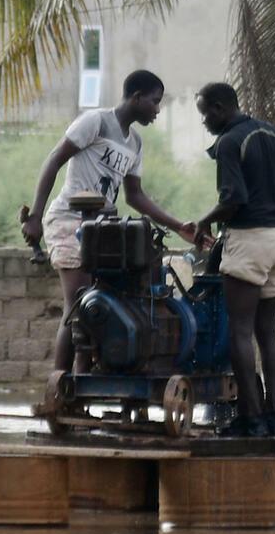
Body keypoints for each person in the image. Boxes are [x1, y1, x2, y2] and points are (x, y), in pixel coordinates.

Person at [19, 70, 197, 371]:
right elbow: (54, 160)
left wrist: (179, 226)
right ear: (136, 97)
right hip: (69, 220)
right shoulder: (96, 122)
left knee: (99, 308)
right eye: (154, 102)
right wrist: (35, 216)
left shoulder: (135, 144)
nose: (157, 110)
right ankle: (62, 389)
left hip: (103, 234)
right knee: (77, 306)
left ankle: (82, 383)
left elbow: (135, 196)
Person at [188, 82, 275, 438]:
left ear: (222, 108)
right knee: (266, 332)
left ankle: (250, 418)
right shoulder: (271, 134)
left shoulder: (228, 142)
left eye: (206, 113)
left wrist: (205, 219)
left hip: (250, 238)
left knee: (239, 331)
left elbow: (234, 199)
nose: (205, 122)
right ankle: (273, 415)